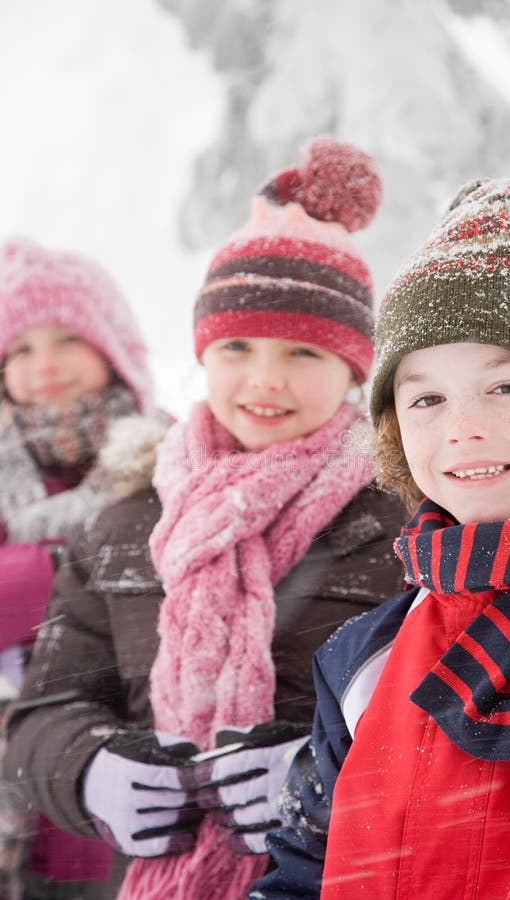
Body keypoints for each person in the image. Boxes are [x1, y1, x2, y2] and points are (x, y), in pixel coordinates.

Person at [4, 137, 408, 900]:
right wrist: (89, 770)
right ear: (202, 353)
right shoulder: (124, 524)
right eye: (238, 347)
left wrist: (322, 776)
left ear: (354, 370)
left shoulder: (404, 524)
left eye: (303, 354)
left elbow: (445, 720)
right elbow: (44, 713)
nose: (264, 379)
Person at [250, 178, 510, 899]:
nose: (461, 427)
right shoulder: (364, 659)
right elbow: (300, 871)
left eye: (505, 387)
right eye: (427, 399)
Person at [0, 238, 167, 900]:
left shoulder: (175, 452)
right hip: (24, 819)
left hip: (146, 798)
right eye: (21, 347)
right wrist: (67, 563)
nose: (45, 365)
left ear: (113, 344)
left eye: (66, 338)